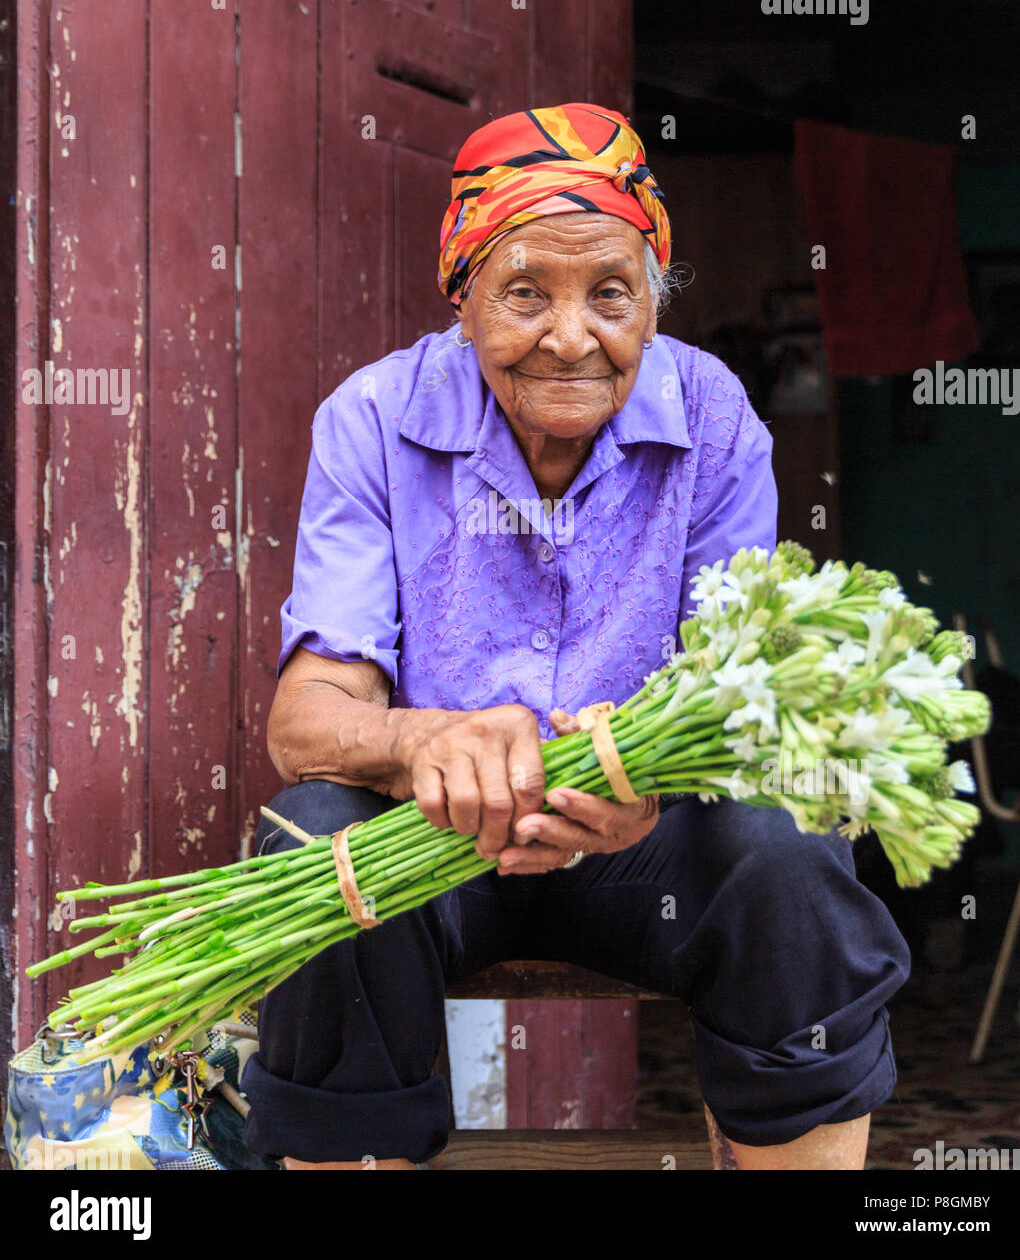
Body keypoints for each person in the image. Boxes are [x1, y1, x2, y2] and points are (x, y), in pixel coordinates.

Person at [241, 103, 910, 1170]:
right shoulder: (371, 418)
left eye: (609, 292)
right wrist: (425, 743)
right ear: (460, 297)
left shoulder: (713, 416)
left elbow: (741, 688)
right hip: (435, 850)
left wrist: (644, 780)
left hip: (643, 850)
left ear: (651, 299)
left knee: (787, 846)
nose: (569, 335)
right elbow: (306, 720)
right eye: (522, 293)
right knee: (311, 834)